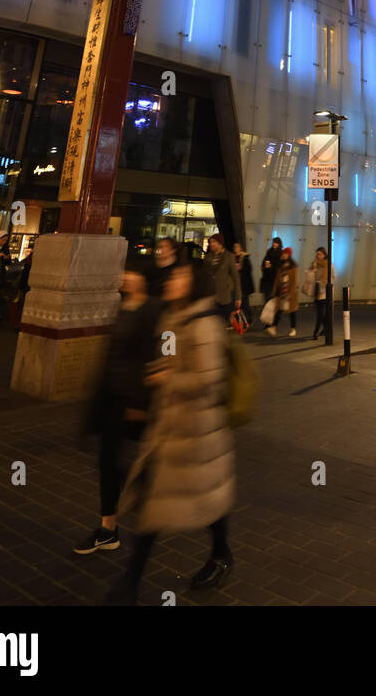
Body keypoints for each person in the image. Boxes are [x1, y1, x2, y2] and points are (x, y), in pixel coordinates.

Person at [105, 256, 234, 604]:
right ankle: (217, 553)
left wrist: (168, 378)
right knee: (167, 499)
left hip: (196, 430)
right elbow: (166, 357)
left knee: (166, 500)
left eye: (179, 276)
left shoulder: (204, 324)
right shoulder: (172, 316)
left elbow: (208, 378)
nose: (172, 280)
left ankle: (132, 581)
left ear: (194, 283)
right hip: (169, 426)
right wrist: (157, 374)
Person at [74, 259, 161, 555]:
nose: (126, 277)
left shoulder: (152, 311)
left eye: (132, 273)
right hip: (112, 399)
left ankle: (149, 506)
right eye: (125, 271)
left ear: (144, 279)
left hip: (135, 403)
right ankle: (108, 529)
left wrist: (140, 403)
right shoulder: (122, 307)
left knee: (138, 466)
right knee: (108, 463)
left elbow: (155, 357)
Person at [204, 233, 241, 323]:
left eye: (213, 242)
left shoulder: (229, 257)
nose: (211, 244)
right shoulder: (207, 257)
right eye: (210, 242)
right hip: (210, 297)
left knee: (223, 323)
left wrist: (238, 297)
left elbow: (236, 278)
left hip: (224, 297)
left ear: (220, 244)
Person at [269, 247, 300, 338]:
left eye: (285, 253)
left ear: (289, 255)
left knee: (292, 311)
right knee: (279, 310)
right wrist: (274, 292)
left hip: (290, 293)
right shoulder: (280, 266)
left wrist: (291, 293)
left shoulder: (293, 267)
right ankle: (274, 328)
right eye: (283, 253)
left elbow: (294, 281)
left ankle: (293, 329)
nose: (284, 255)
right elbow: (276, 281)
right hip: (281, 292)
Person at [307, 247, 334, 340]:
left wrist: (325, 284)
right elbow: (310, 275)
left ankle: (316, 332)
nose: (318, 256)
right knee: (321, 313)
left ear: (324, 255)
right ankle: (325, 329)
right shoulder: (315, 264)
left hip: (325, 292)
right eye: (317, 254)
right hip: (317, 290)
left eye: (320, 254)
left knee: (320, 313)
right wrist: (311, 269)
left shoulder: (329, 265)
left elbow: (333, 277)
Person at [232, 241, 255, 327]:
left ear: (240, 248)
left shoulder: (245, 258)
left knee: (245, 304)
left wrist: (240, 269)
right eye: (234, 247)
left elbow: (249, 269)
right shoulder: (233, 258)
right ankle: (240, 321)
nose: (235, 248)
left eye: (237, 247)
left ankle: (249, 319)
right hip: (236, 284)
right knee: (239, 305)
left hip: (244, 284)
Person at [259, 236, 283, 304]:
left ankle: (273, 312)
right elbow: (264, 261)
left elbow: (280, 265)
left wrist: (271, 266)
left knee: (273, 297)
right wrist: (263, 265)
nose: (274, 244)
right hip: (267, 277)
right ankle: (266, 311)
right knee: (266, 297)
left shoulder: (281, 253)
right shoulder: (269, 251)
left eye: (276, 243)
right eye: (273, 242)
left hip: (275, 278)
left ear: (279, 244)